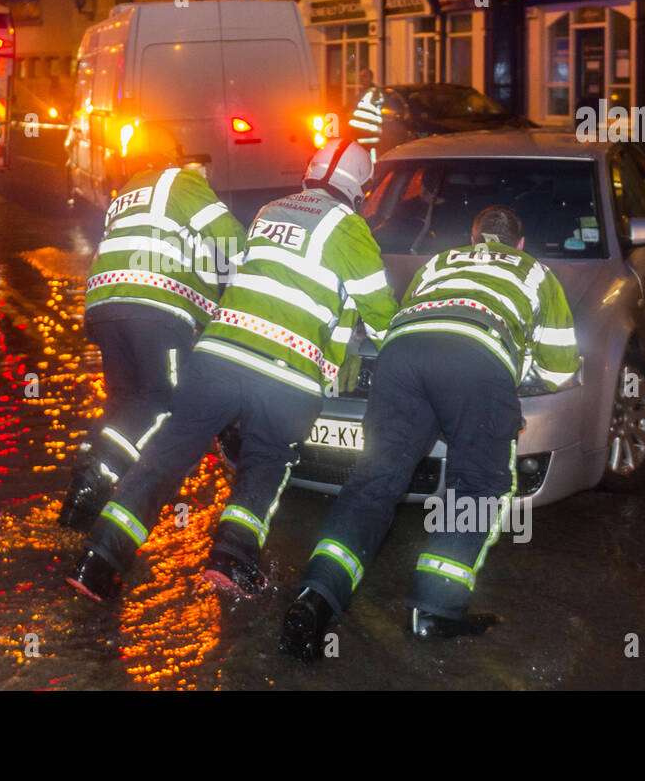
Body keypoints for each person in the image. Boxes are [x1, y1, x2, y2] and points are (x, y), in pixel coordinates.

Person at [66, 140, 399, 600]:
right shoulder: (350, 227)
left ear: (311, 173)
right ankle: (231, 561)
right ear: (359, 189)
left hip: (217, 357)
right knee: (264, 462)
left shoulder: (271, 209)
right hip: (287, 375)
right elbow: (381, 313)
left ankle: (99, 561)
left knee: (166, 455)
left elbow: (238, 272)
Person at [280, 205, 580, 658]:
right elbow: (558, 368)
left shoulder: (439, 262)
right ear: (520, 243)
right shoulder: (535, 270)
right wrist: (511, 377)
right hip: (477, 357)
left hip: (400, 356)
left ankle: (316, 596)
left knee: (373, 484)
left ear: (475, 237)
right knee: (478, 485)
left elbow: (410, 320)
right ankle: (435, 609)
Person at [57, 136, 247, 531]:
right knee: (166, 404)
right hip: (154, 308)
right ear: (174, 161)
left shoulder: (127, 193)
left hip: (104, 305)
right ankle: (98, 479)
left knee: (125, 402)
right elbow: (231, 240)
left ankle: (83, 488)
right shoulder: (181, 182)